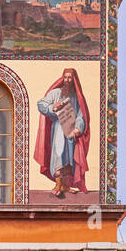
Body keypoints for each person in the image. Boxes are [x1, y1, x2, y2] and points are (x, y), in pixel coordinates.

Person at [34, 67, 90, 198]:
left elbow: (81, 115)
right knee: (58, 154)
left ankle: (64, 185)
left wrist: (78, 127)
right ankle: (58, 184)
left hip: (71, 131)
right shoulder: (55, 93)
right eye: (65, 77)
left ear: (74, 80)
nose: (67, 80)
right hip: (59, 128)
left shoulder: (77, 97)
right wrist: (52, 107)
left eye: (70, 78)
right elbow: (41, 104)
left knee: (69, 158)